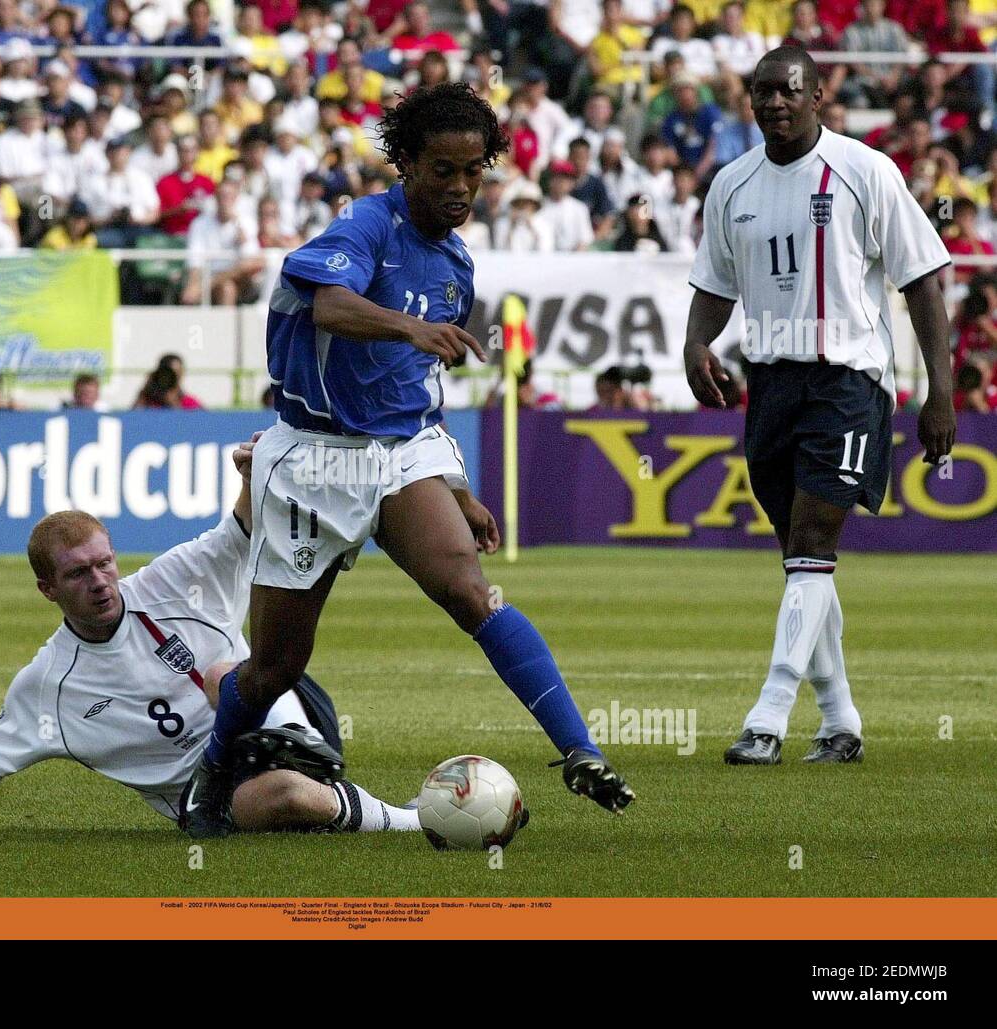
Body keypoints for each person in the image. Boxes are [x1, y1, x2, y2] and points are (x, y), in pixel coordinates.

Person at [180, 82, 635, 838]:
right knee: (275, 666)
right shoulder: (365, 225)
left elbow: (416, 392)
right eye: (442, 170)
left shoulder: (455, 264)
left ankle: (579, 749)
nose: (459, 187)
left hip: (398, 454)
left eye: (473, 172)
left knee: (472, 592)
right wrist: (408, 327)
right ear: (408, 165)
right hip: (315, 459)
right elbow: (329, 304)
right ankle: (213, 769)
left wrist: (456, 489)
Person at [0, 440, 422, 835]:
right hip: (212, 799)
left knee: (220, 676)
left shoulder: (172, 581)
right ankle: (369, 812)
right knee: (282, 797)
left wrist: (251, 476)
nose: (99, 582)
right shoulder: (49, 683)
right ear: (48, 589)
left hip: (280, 713)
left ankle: (381, 804)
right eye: (78, 574)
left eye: (104, 563)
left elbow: (238, 531)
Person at [684, 47, 956, 766]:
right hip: (771, 385)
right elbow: (714, 283)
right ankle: (841, 721)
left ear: (818, 95)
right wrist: (695, 345)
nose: (774, 102)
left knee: (811, 539)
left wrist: (940, 391)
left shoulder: (866, 171)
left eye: (788, 90)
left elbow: (922, 281)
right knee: (804, 560)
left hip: (847, 382)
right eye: (762, 91)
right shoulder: (731, 185)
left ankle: (766, 718)